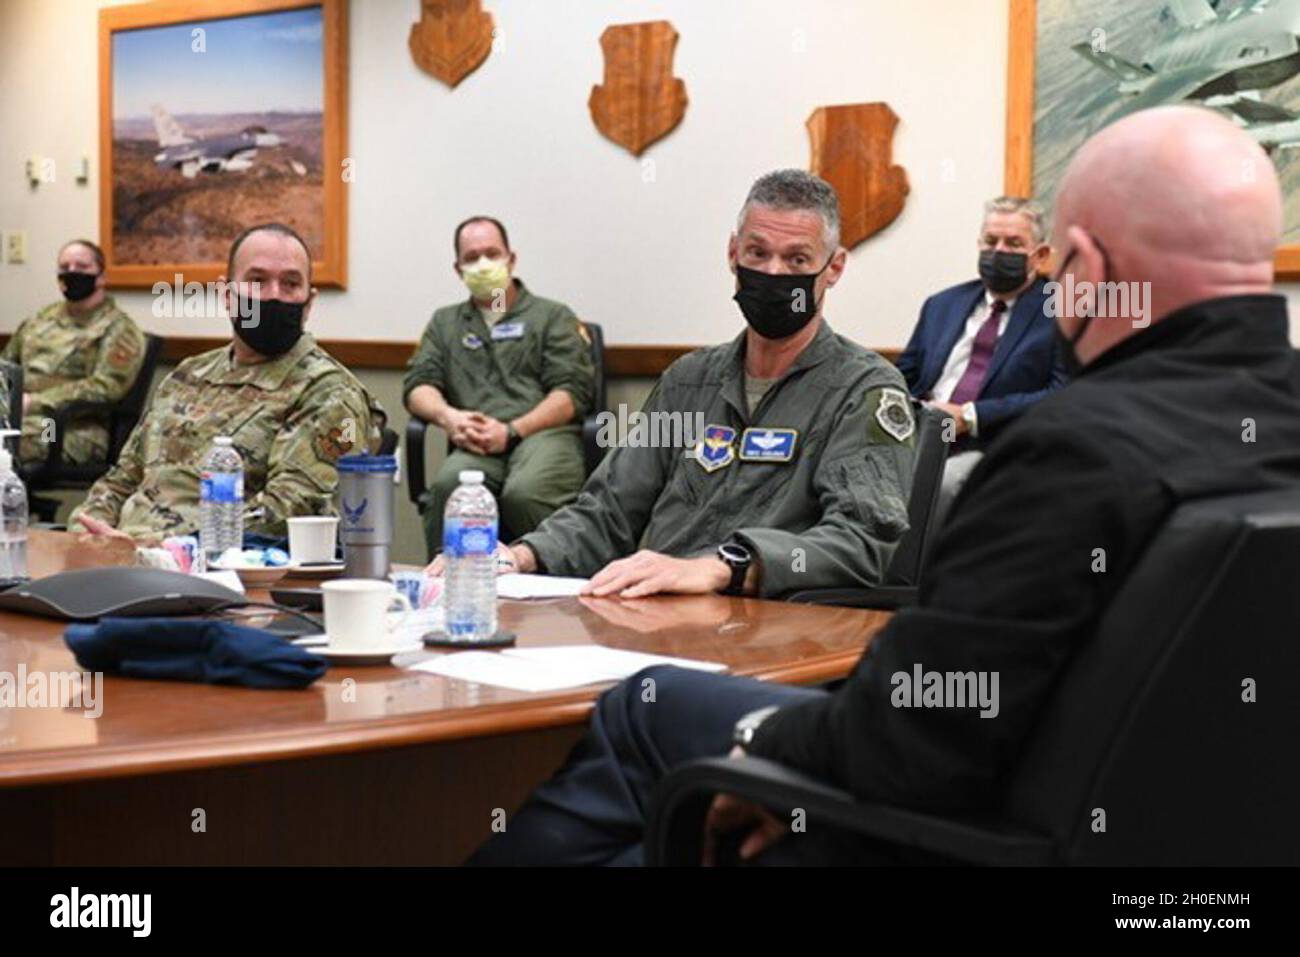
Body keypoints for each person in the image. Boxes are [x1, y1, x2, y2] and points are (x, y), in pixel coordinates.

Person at [466, 106, 1300, 865]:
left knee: (648, 711)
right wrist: (525, 552)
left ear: (1081, 267)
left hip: (950, 828)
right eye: (757, 253)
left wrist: (764, 762)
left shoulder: (1073, 452)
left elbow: (912, 724)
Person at [431, 170, 917, 600]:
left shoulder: (865, 390)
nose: (772, 273)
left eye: (796, 260)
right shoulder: (689, 382)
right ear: (733, 253)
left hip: (767, 627)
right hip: (651, 616)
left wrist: (724, 568)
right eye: (757, 252)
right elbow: (609, 509)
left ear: (833, 268)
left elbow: (863, 539)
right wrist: (518, 558)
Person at [69, 223, 384, 543]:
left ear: (309, 302)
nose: (274, 295)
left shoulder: (328, 390)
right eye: (257, 281)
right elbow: (122, 478)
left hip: (217, 571)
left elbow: (288, 511)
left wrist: (156, 546)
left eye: (290, 283)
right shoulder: (187, 375)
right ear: (227, 295)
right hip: (122, 555)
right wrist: (86, 531)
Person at [404, 216, 595, 555]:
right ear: (457, 268)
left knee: (525, 492)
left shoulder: (551, 316)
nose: (483, 264)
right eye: (472, 257)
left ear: (511, 259)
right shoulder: (445, 323)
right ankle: (445, 591)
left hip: (543, 434)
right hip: (476, 440)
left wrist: (511, 431)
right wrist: (450, 419)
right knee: (451, 488)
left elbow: (572, 393)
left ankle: (557, 589)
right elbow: (418, 385)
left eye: (492, 254)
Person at [896, 197, 1068, 506]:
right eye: (991, 241)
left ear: (1039, 254)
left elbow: (1062, 393)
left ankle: (921, 557)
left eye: (1013, 243)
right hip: (920, 433)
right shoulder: (942, 304)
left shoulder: (1063, 310)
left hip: (993, 443)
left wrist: (971, 416)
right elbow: (901, 377)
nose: (999, 251)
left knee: (942, 486)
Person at [2, 239, 146, 466]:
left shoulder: (118, 328)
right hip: (19, 416)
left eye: (82, 267)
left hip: (66, 428)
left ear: (101, 277)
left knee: (13, 442)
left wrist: (36, 402)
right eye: (65, 267)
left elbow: (106, 388)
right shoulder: (41, 319)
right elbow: (6, 366)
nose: (72, 273)